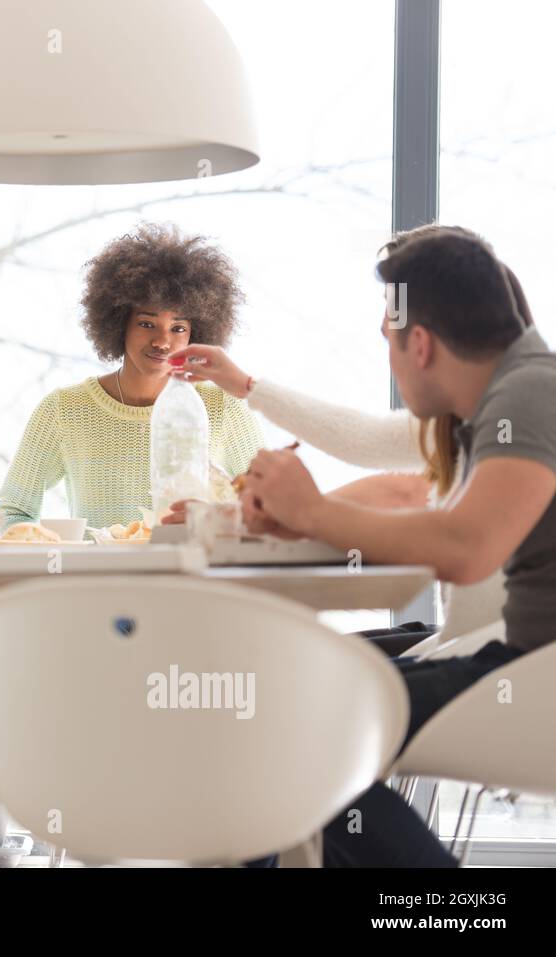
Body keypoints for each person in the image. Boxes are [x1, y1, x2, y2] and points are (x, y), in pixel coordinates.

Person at [237, 226, 554, 866]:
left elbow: (467, 548)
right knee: (286, 707)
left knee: (294, 717)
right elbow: (449, 528)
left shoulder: (530, 392)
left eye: (387, 340)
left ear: (420, 342)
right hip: (523, 664)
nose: (389, 357)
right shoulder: (511, 393)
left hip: (534, 675)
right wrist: (309, 521)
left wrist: (316, 510)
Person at [167, 229, 533, 656]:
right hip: (478, 645)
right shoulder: (472, 414)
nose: (385, 334)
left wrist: (309, 512)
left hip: (508, 665)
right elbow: (366, 438)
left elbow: (444, 537)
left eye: (393, 321)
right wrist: (247, 385)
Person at [0, 223, 264, 529]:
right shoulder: (63, 410)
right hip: (96, 576)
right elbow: (13, 512)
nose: (162, 342)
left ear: (196, 333)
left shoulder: (222, 406)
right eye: (147, 324)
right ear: (118, 322)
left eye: (178, 328)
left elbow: (267, 509)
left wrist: (215, 521)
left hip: (194, 574)